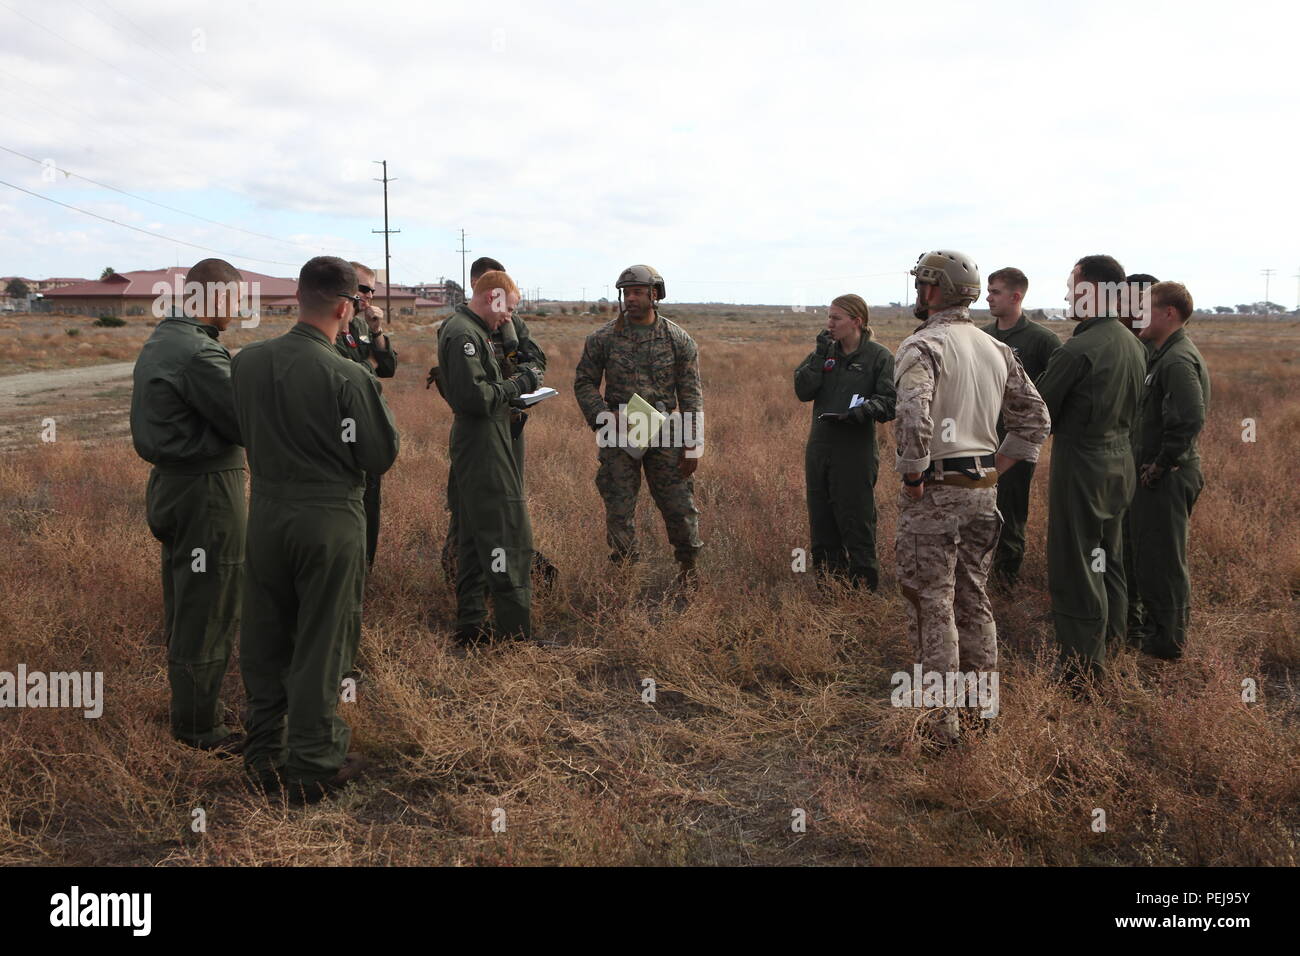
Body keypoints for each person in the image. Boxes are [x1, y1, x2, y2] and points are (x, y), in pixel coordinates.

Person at [232, 256, 400, 803]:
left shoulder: (249, 362)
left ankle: (263, 753)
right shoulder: (348, 374)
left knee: (265, 635)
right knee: (323, 638)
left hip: (266, 515)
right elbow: (378, 455)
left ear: (297, 297)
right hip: (328, 518)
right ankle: (312, 762)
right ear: (346, 306)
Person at [894, 249, 1050, 746]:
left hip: (937, 492)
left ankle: (940, 725)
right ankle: (983, 714)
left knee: (933, 604)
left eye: (922, 283)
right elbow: (1036, 421)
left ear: (934, 290)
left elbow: (914, 419)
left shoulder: (923, 346)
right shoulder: (995, 348)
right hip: (983, 492)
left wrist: (915, 477)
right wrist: (994, 468)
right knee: (974, 600)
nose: (918, 292)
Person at [129, 258, 246, 753]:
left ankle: (189, 709)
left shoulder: (164, 339)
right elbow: (244, 420)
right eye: (238, 301)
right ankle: (199, 727)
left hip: (172, 486)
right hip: (205, 491)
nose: (240, 312)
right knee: (209, 605)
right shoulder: (200, 353)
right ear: (217, 298)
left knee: (186, 601)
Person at [1034, 255, 1148, 684]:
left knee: (1076, 565)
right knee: (1108, 557)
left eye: (1073, 286)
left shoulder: (1078, 350)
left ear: (1092, 291)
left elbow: (1040, 415)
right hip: (1121, 463)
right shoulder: (1132, 342)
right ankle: (1112, 643)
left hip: (1082, 466)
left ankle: (1082, 669)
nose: (1067, 295)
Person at [574, 264, 704, 589]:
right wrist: (604, 416)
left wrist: (693, 445)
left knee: (679, 505)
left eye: (637, 292)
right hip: (618, 431)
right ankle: (624, 576)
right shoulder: (602, 338)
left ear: (654, 294)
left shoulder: (678, 340)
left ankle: (689, 571)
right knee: (619, 507)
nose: (630, 298)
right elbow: (584, 383)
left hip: (665, 431)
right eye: (626, 293)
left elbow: (691, 396)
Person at [437, 256, 556, 589]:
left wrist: (522, 375)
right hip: (479, 426)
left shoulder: (512, 324)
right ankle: (459, 572)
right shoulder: (460, 328)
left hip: (510, 421)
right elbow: (466, 391)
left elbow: (536, 359)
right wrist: (515, 384)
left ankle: (497, 574)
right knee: (467, 502)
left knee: (507, 501)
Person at [1129, 281, 1209, 660]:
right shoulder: (1161, 354)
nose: (1137, 315)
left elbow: (1190, 418)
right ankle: (1155, 630)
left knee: (1164, 558)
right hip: (1158, 473)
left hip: (1169, 475)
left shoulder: (1176, 361)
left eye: (1145, 308)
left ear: (1169, 314)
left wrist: (1160, 464)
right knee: (1150, 554)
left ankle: (1169, 642)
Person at [793, 294, 895, 590]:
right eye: (829, 317)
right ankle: (829, 588)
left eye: (836, 318)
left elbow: (890, 402)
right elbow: (803, 390)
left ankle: (863, 591)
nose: (829, 323)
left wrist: (861, 412)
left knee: (856, 521)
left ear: (857, 322)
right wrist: (818, 354)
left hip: (855, 451)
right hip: (819, 448)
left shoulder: (879, 356)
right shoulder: (826, 353)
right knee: (821, 522)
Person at [980, 267, 1061, 589]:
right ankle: (979, 572)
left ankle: (1006, 580)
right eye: (988, 290)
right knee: (978, 509)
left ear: (1016, 296)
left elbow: (1057, 389)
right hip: (980, 436)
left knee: (1010, 512)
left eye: (995, 291)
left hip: (1015, 441)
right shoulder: (983, 335)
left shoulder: (1042, 340)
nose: (989, 297)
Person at [334, 261, 396, 568]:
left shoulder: (359, 327)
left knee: (370, 502)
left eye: (372, 290)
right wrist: (367, 365)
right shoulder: (330, 326)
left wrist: (377, 330)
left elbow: (387, 368)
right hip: (340, 430)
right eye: (362, 289)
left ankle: (364, 567)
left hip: (366, 426)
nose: (368, 296)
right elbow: (347, 375)